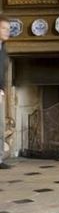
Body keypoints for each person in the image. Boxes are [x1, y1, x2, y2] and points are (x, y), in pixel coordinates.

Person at [0, 14, 11, 169]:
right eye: (3, 28)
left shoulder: (3, 48)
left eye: (8, 28)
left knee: (0, 126)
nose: (7, 31)